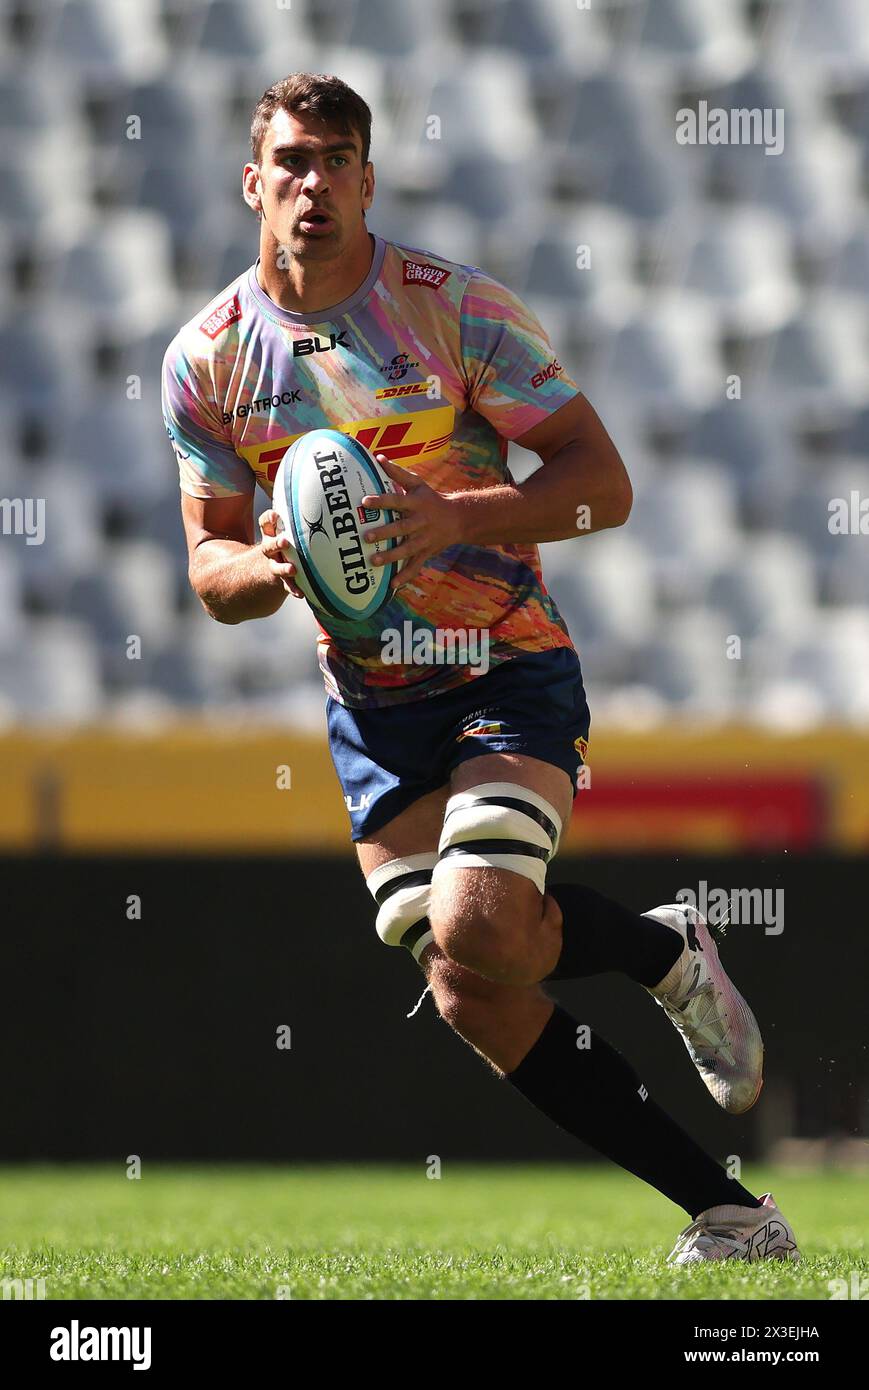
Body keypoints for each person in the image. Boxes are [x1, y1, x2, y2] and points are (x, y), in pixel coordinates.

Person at [162, 72, 798, 1264]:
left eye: (336, 159)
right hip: (371, 702)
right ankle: (728, 1213)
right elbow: (207, 568)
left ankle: (667, 960)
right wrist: (281, 568)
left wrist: (459, 518)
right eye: (291, 160)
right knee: (464, 980)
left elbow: (601, 484)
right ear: (254, 182)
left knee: (482, 921)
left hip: (500, 662)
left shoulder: (454, 312)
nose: (312, 182)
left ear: (367, 180)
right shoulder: (206, 362)